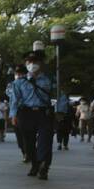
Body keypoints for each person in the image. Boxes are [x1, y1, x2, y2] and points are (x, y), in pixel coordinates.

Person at [10, 49, 57, 179]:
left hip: (44, 112)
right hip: (26, 113)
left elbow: (60, 95)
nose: (32, 64)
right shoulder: (19, 82)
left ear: (41, 63)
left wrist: (60, 111)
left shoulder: (50, 79)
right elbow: (14, 99)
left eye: (35, 61)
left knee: (45, 141)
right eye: (29, 62)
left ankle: (44, 166)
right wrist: (13, 115)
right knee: (28, 143)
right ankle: (35, 164)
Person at [6, 65, 30, 162]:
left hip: (26, 110)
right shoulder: (11, 84)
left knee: (27, 135)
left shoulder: (29, 83)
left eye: (21, 73)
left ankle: (29, 153)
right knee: (19, 135)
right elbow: (10, 96)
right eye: (17, 73)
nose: (18, 75)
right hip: (16, 111)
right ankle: (24, 152)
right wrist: (13, 115)